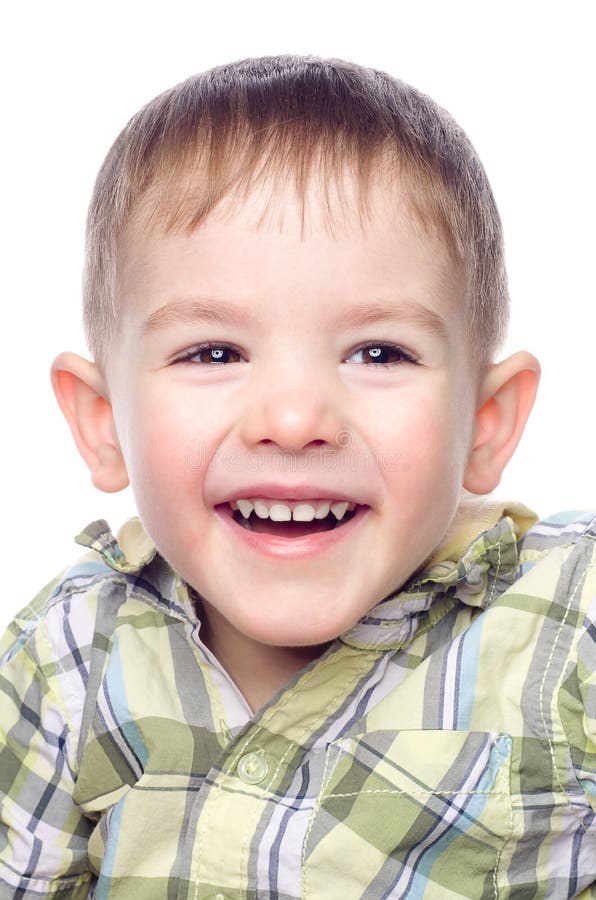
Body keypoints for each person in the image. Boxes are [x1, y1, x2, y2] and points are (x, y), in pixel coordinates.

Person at [1, 54, 594, 898]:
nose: (293, 419)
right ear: (102, 424)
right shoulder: (66, 662)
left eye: (379, 352)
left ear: (485, 423)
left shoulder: (567, 631)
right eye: (213, 352)